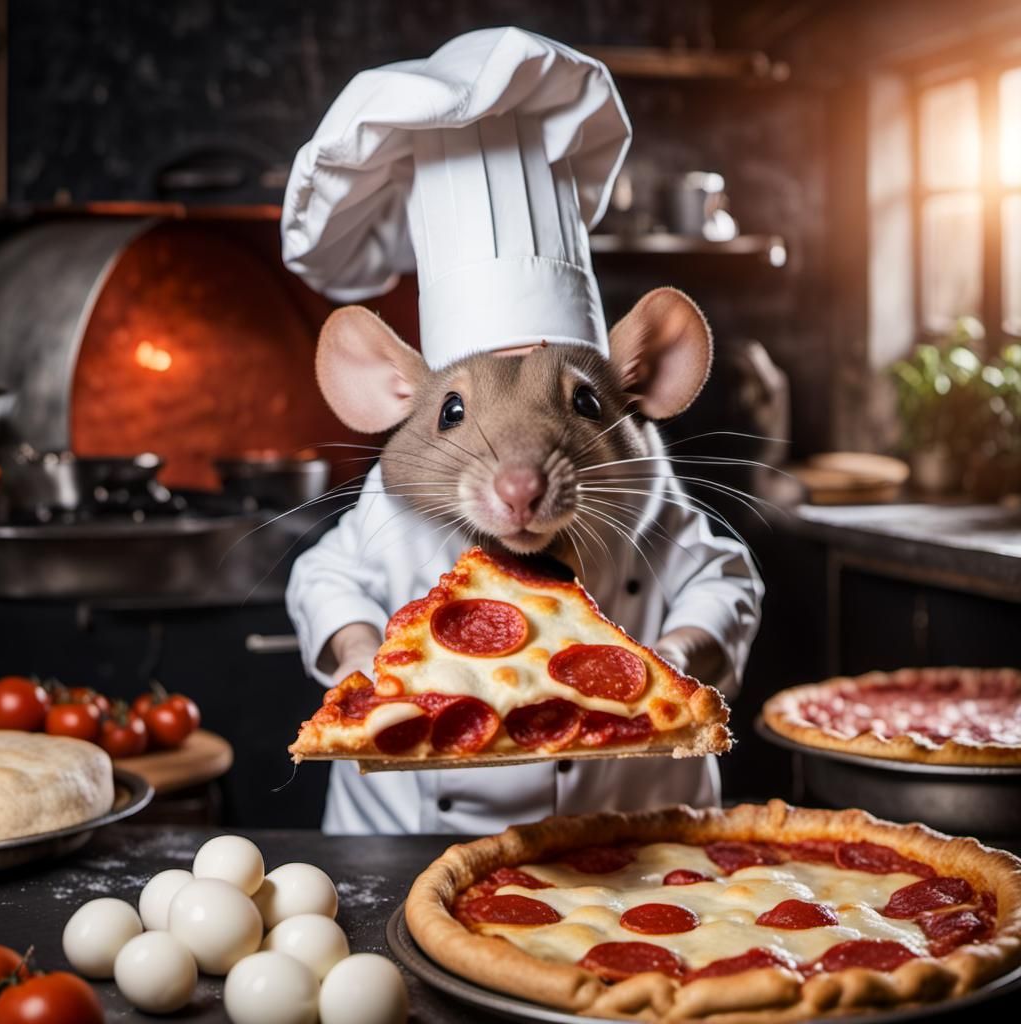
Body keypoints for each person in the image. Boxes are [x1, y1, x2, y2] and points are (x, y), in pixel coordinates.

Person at [281, 27, 763, 835]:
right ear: (391, 390)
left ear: (645, 374)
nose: (519, 481)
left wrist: (674, 660)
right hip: (406, 839)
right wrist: (364, 650)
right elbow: (321, 579)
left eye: (579, 403)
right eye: (458, 410)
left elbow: (728, 580)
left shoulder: (641, 483)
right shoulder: (397, 497)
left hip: (631, 836)